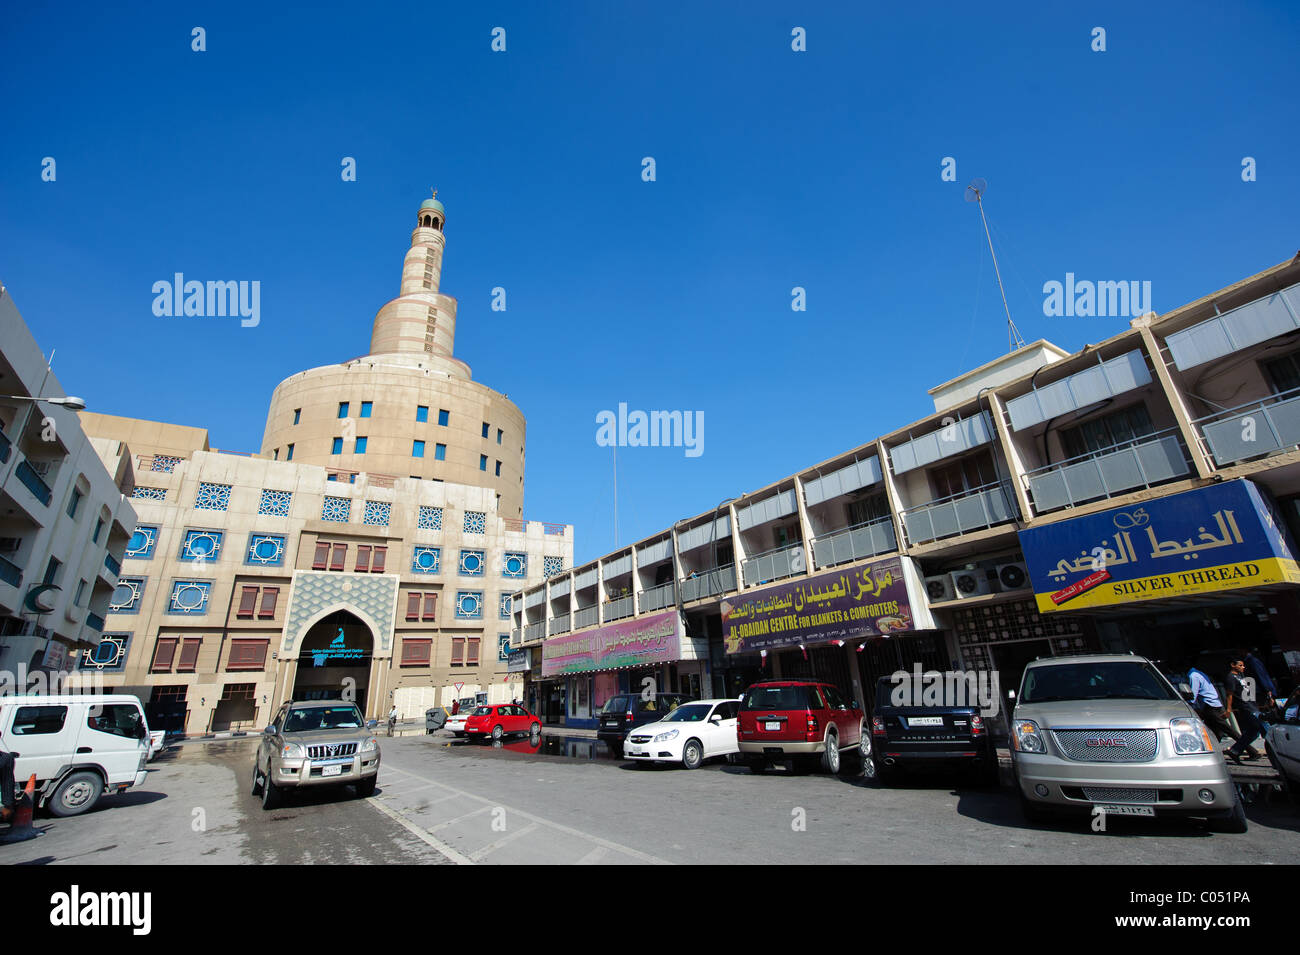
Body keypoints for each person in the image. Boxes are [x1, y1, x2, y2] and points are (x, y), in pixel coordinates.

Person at [1186, 661, 1240, 749]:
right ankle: (1213, 749)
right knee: (1214, 731)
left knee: (1226, 729)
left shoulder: (1193, 675)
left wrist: (1189, 704)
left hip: (1209, 706)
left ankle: (1246, 748)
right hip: (1215, 703)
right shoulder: (1200, 673)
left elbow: (1193, 695)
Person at [1223, 658, 1265, 763]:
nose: (1243, 667)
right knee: (1264, 727)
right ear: (1233, 665)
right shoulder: (1230, 678)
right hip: (1246, 707)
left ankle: (1235, 750)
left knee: (1253, 732)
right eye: (1240, 665)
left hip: (1252, 705)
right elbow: (1230, 694)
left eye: (1243, 665)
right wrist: (1228, 708)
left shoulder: (1240, 676)